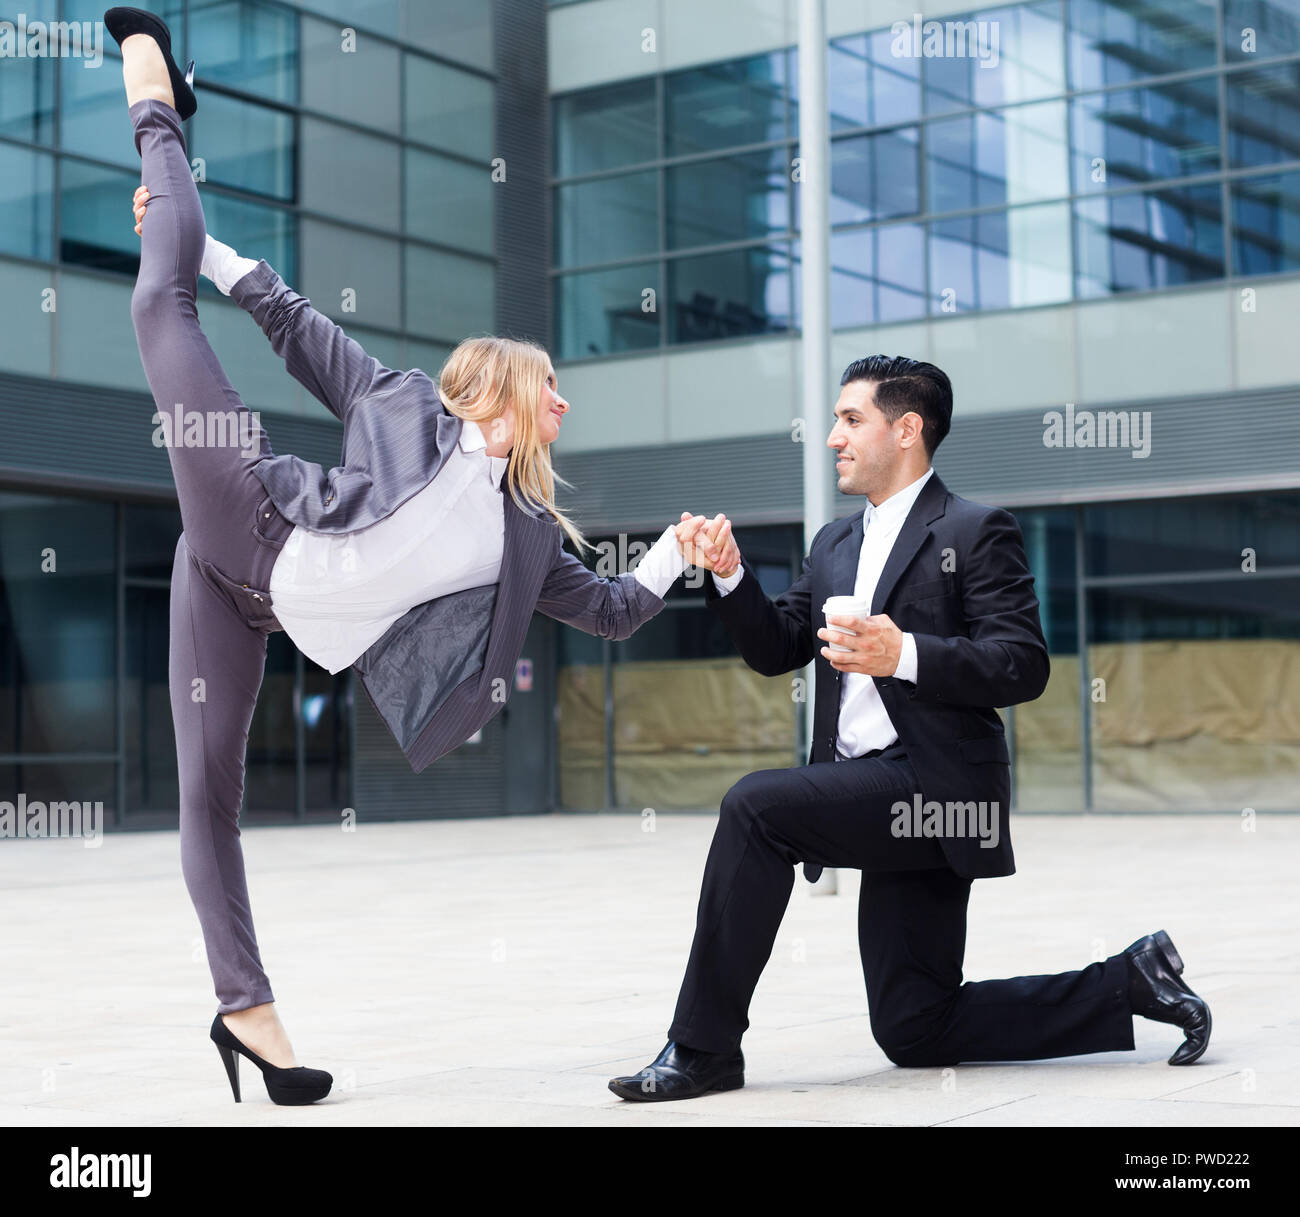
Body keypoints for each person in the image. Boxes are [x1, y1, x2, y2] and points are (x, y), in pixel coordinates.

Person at [105, 7, 736, 1106]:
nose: (566, 401)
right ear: (502, 387)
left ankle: (245, 1012)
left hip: (248, 603)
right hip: (249, 512)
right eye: (553, 386)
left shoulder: (526, 541)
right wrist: (186, 232)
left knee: (210, 790)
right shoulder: (400, 400)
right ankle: (157, 105)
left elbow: (616, 611)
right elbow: (290, 319)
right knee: (161, 296)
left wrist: (677, 556)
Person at [611, 355, 1212, 1102]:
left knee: (755, 807)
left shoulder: (975, 529)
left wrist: (907, 654)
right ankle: (1131, 980)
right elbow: (775, 648)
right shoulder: (834, 544)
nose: (832, 435)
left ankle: (703, 1048)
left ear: (907, 429)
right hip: (871, 793)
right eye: (833, 419)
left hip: (940, 792)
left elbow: (1022, 663)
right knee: (916, 1028)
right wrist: (730, 576)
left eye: (850, 419)